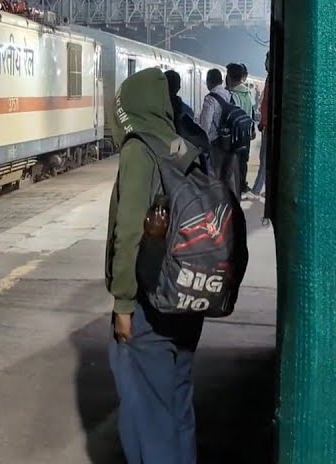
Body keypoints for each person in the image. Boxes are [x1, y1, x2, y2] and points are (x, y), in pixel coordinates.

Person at [105, 68, 203, 464]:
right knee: (177, 403)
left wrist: (123, 304)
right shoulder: (181, 145)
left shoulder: (138, 150)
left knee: (146, 410)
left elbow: (129, 233)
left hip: (150, 300)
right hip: (188, 294)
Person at [197, 66, 246, 199]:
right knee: (229, 178)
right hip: (231, 142)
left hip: (216, 144)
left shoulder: (210, 98)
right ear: (221, 80)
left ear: (209, 81)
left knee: (215, 177)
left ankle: (218, 207)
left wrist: (201, 144)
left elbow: (205, 126)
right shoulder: (231, 95)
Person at [229, 64, 258, 196]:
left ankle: (235, 185)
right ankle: (242, 184)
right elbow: (251, 113)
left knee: (234, 159)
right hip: (246, 132)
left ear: (229, 77)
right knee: (243, 160)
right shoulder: (248, 93)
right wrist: (252, 129)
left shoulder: (232, 94)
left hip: (236, 133)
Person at [252, 52, 272, 197]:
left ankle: (257, 190)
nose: (265, 63)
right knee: (266, 159)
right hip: (267, 124)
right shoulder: (270, 78)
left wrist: (263, 121)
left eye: (267, 60)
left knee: (264, 158)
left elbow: (268, 104)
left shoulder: (273, 79)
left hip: (269, 126)